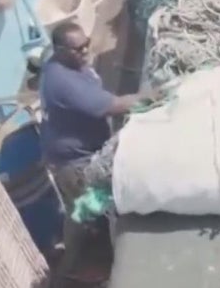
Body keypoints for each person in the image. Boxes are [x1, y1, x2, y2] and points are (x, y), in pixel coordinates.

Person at [39, 22, 154, 283]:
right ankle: (72, 270)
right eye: (77, 49)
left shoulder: (67, 64)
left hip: (77, 151)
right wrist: (151, 97)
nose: (85, 51)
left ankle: (78, 256)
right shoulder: (62, 82)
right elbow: (112, 106)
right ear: (59, 50)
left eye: (86, 44)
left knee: (83, 212)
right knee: (86, 211)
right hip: (74, 163)